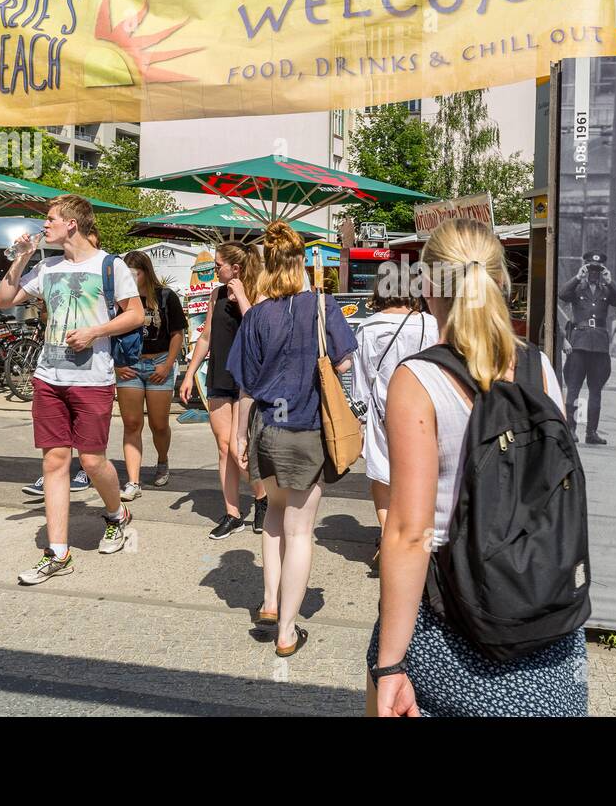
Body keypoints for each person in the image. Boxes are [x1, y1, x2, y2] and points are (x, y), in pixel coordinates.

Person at [368, 218, 585, 717]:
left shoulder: (419, 379)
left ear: (427, 285)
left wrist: (389, 667)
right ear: (500, 282)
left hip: (452, 625)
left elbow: (408, 531)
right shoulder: (540, 369)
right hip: (548, 627)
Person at [0, 194, 145, 585]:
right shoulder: (47, 266)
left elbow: (136, 314)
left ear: (71, 224)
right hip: (49, 377)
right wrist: (23, 257)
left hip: (93, 379)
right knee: (54, 463)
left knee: (92, 462)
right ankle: (58, 552)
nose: (45, 225)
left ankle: (117, 513)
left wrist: (95, 331)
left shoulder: (110, 265)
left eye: (50, 219)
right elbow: (3, 300)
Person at [230, 221, 357, 658]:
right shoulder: (322, 306)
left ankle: (268, 603)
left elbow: (245, 383)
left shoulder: (258, 315)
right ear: (301, 261)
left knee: (272, 516)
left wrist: (237, 436)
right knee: (300, 531)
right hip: (305, 428)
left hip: (266, 427)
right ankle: (286, 630)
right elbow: (343, 364)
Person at [179, 241, 268, 539]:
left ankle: (262, 498)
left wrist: (241, 296)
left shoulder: (259, 293)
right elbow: (206, 336)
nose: (214, 269)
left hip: (248, 379)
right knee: (223, 447)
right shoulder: (215, 293)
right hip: (218, 374)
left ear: (236, 268)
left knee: (237, 446)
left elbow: (259, 330)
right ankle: (232, 513)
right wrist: (190, 373)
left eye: (218, 265)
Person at [352, 284, 436, 556]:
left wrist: (360, 419)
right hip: (426, 410)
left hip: (382, 413)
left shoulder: (368, 327)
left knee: (383, 476)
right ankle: (419, 537)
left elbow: (361, 379)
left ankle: (389, 538)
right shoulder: (430, 323)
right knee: (423, 474)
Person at [113, 251, 185, 501]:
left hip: (159, 363)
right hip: (129, 365)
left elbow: (178, 333)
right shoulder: (119, 299)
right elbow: (110, 333)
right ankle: (133, 481)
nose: (131, 278)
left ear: (146, 272)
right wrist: (117, 364)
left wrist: (167, 365)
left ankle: (162, 461)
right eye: (127, 273)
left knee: (159, 424)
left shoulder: (165, 296)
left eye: (135, 273)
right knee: (132, 423)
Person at [558, 249, 616, 445]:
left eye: (598, 271)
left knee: (596, 390)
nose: (594, 274)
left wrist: (610, 280)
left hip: (599, 346)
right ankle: (571, 429)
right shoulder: (577, 289)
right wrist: (577, 276)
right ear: (586, 269)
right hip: (579, 344)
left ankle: (592, 432)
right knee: (573, 388)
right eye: (591, 270)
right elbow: (562, 294)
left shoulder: (606, 290)